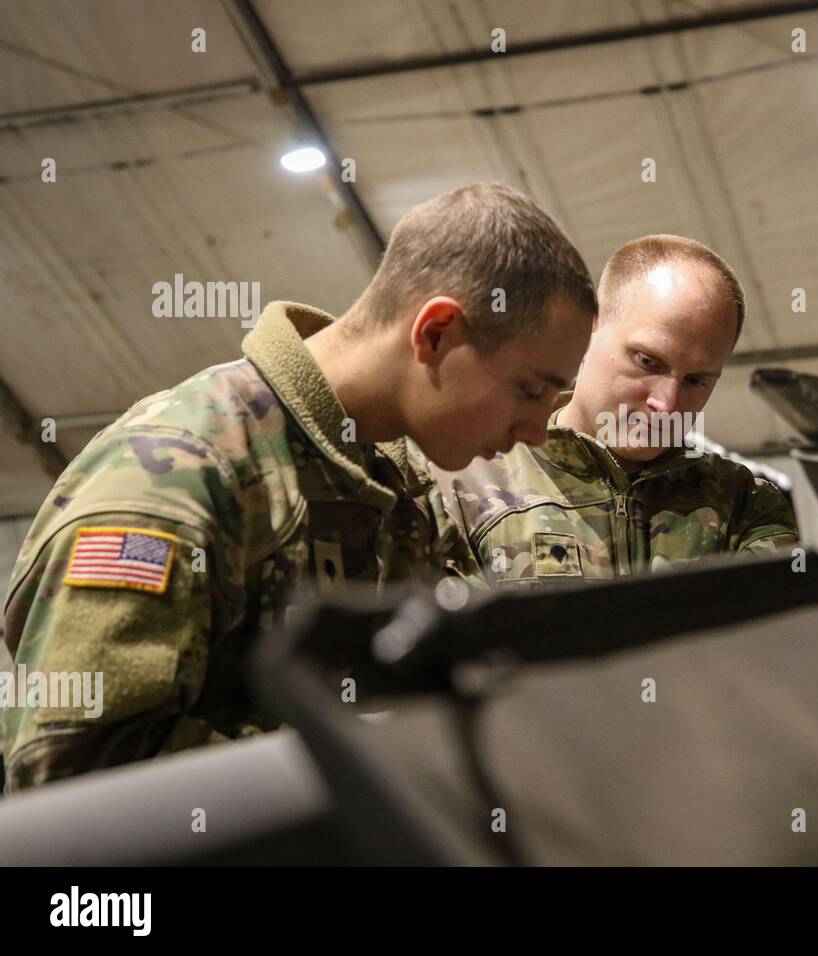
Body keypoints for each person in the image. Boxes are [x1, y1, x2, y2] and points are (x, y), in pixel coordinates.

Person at [2, 182, 596, 790]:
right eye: (528, 390)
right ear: (436, 333)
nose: (536, 432)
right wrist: (373, 764)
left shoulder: (393, 484)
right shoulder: (173, 480)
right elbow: (78, 781)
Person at [434, 234, 798, 587]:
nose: (666, 404)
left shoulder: (743, 506)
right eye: (648, 361)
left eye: (695, 381)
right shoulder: (466, 484)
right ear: (588, 331)